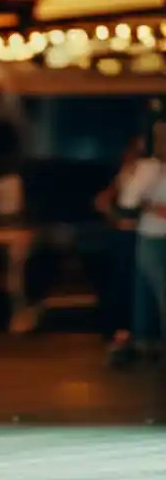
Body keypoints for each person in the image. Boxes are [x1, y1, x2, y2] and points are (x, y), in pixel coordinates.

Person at [117, 121, 166, 367]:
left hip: (154, 235)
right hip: (154, 238)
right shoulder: (149, 169)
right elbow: (129, 200)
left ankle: (147, 344)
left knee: (151, 293)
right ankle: (146, 345)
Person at [97, 135, 145, 367]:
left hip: (139, 231)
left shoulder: (147, 171)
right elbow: (103, 200)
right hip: (126, 232)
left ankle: (130, 334)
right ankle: (122, 332)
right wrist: (117, 218)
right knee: (122, 281)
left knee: (133, 282)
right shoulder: (127, 171)